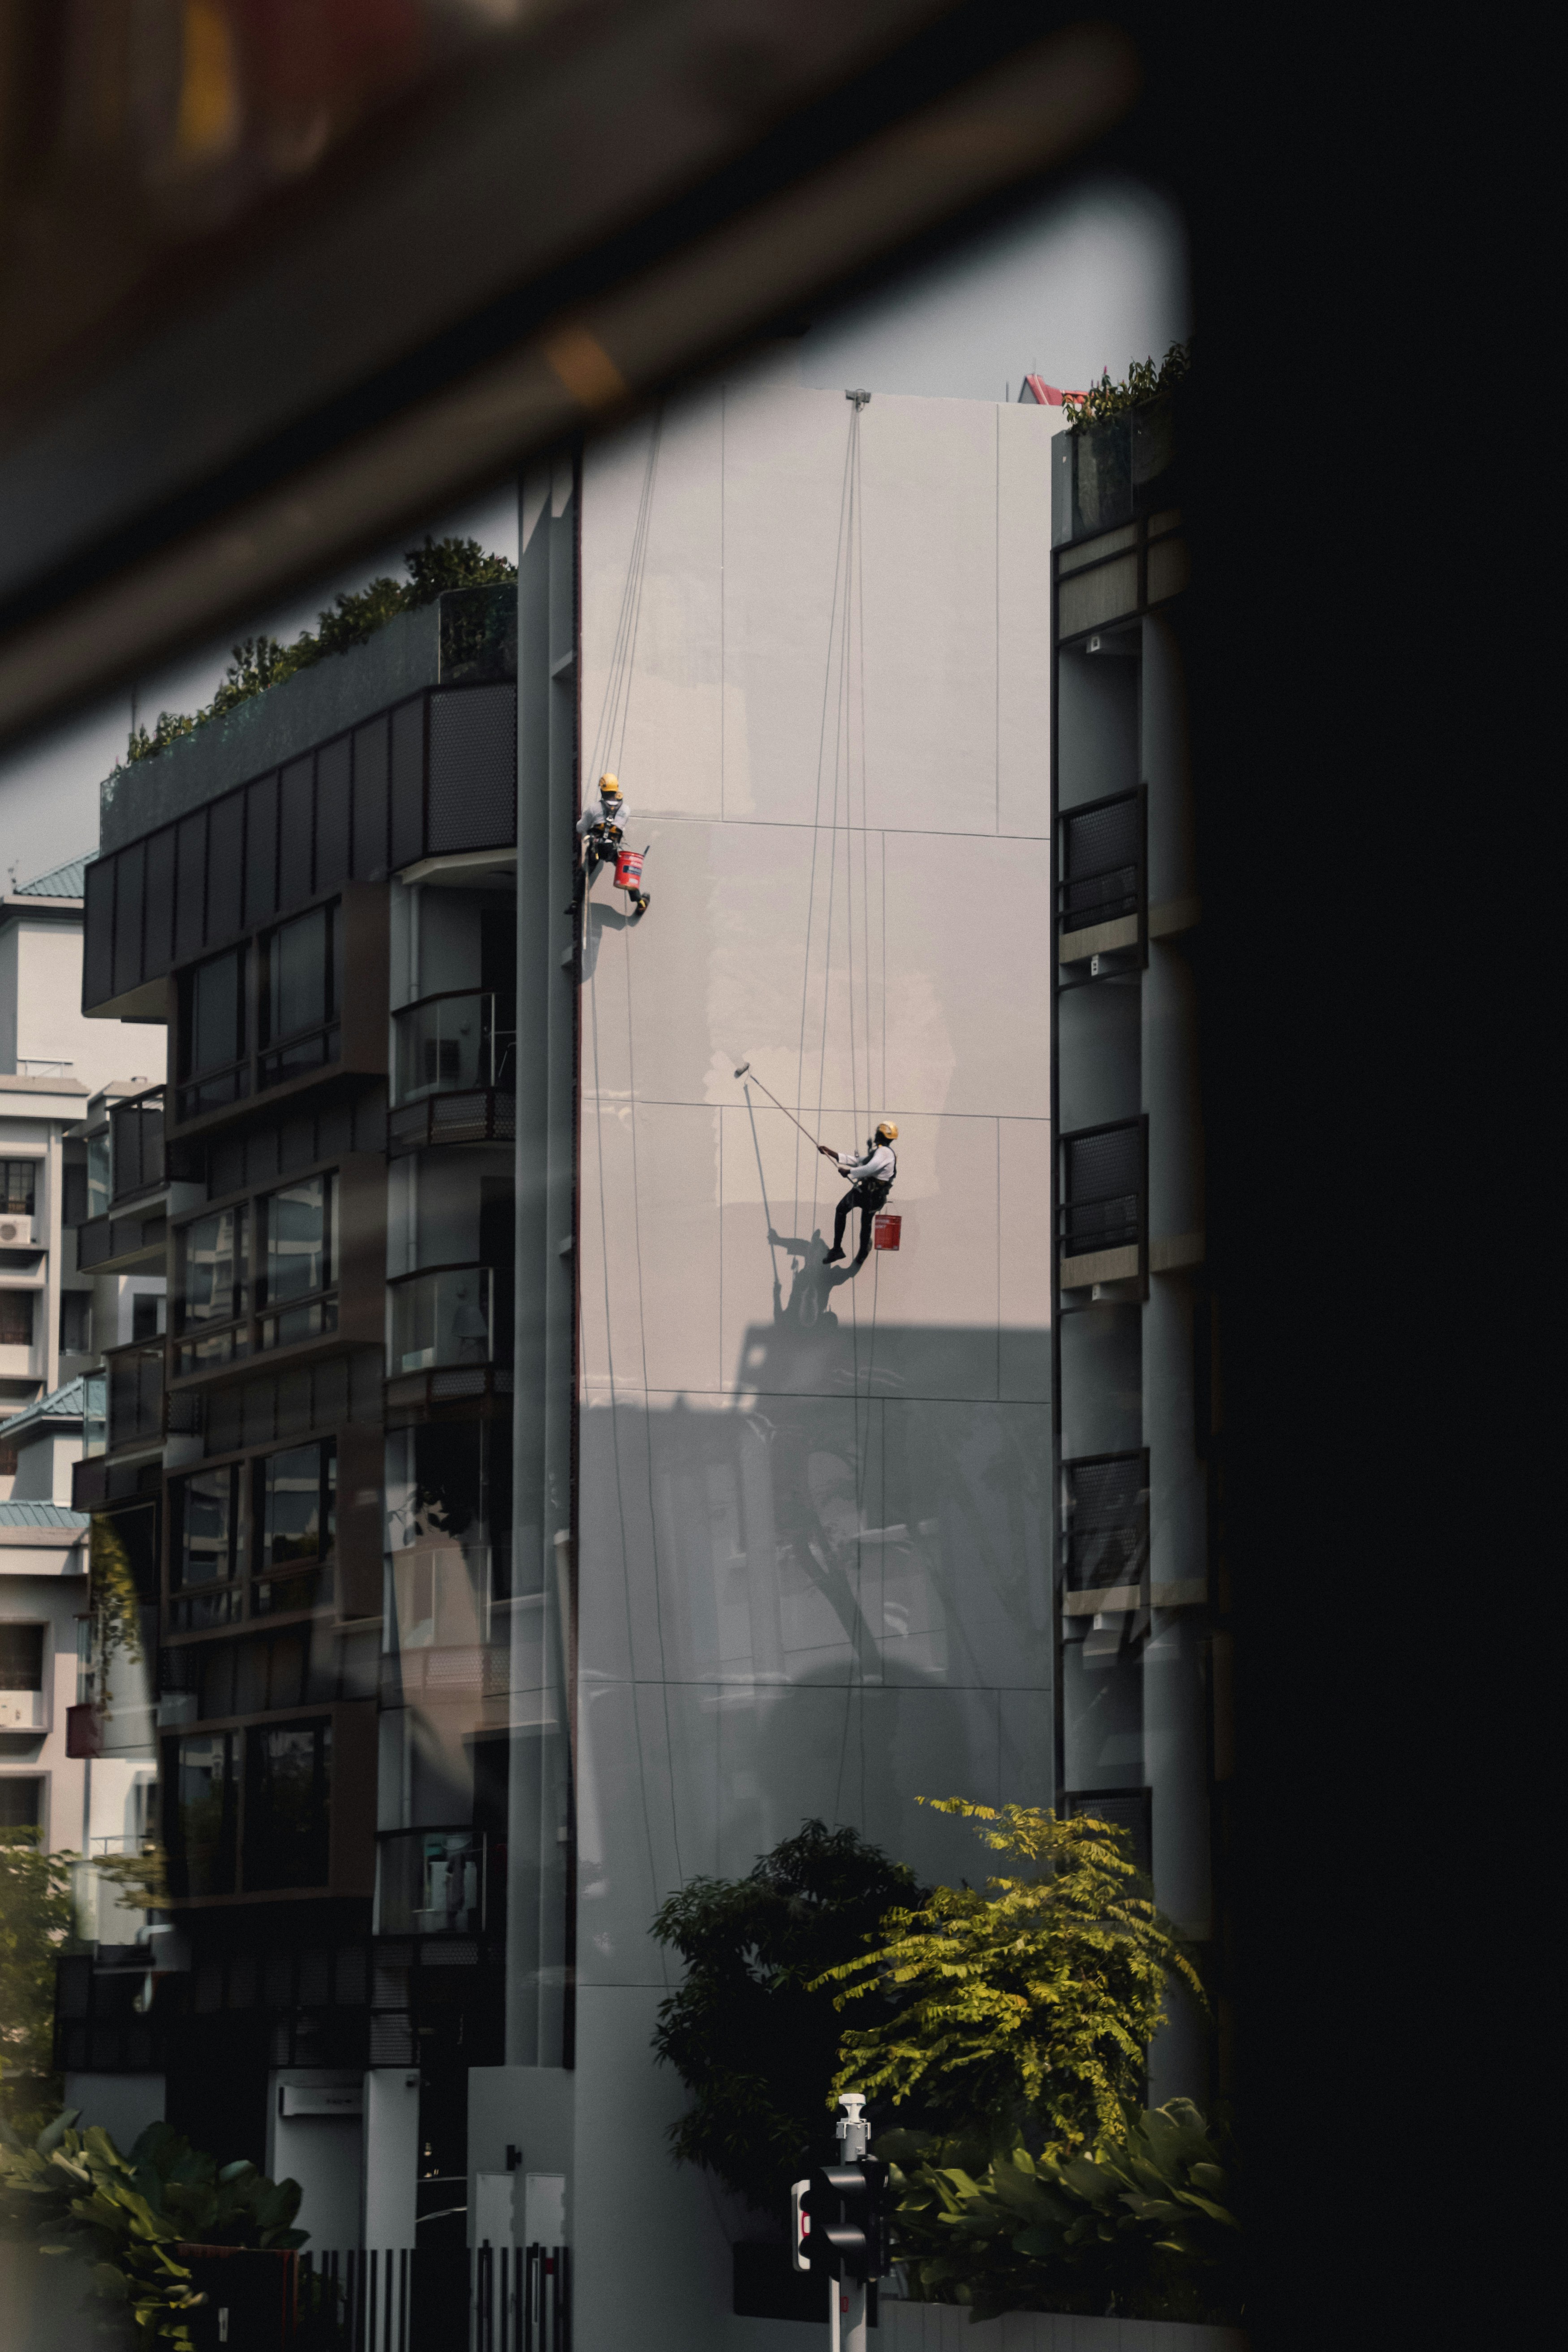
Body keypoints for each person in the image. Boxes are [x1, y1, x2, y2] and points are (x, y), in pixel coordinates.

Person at [819, 1122, 898, 1266]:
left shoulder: (884, 1152)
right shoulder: (880, 1152)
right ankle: (858, 1253)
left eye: (877, 1133)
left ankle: (842, 1249)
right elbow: (858, 1161)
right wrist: (831, 1153)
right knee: (862, 1222)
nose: (875, 1135)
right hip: (870, 1194)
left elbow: (869, 1168)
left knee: (846, 1212)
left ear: (881, 1135)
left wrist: (848, 1172)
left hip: (871, 1195)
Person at [575, 772, 650, 915]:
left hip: (597, 848)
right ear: (617, 790)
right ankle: (640, 902)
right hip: (613, 848)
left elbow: (580, 828)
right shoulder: (626, 810)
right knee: (626, 873)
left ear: (602, 790)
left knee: (584, 873)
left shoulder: (594, 808)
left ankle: (576, 901)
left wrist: (587, 820)